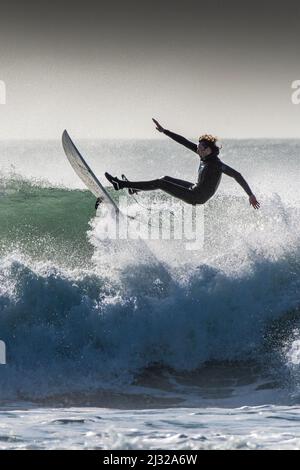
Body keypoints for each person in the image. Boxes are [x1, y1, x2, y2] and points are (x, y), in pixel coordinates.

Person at [104, 118, 260, 209]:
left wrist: (250, 194)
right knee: (164, 178)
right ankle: (133, 188)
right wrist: (164, 131)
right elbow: (183, 141)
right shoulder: (204, 155)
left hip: (197, 197)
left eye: (200, 147)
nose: (197, 148)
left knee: (161, 183)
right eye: (198, 146)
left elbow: (237, 175)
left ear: (208, 150)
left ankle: (122, 185)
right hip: (194, 188)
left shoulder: (216, 164)